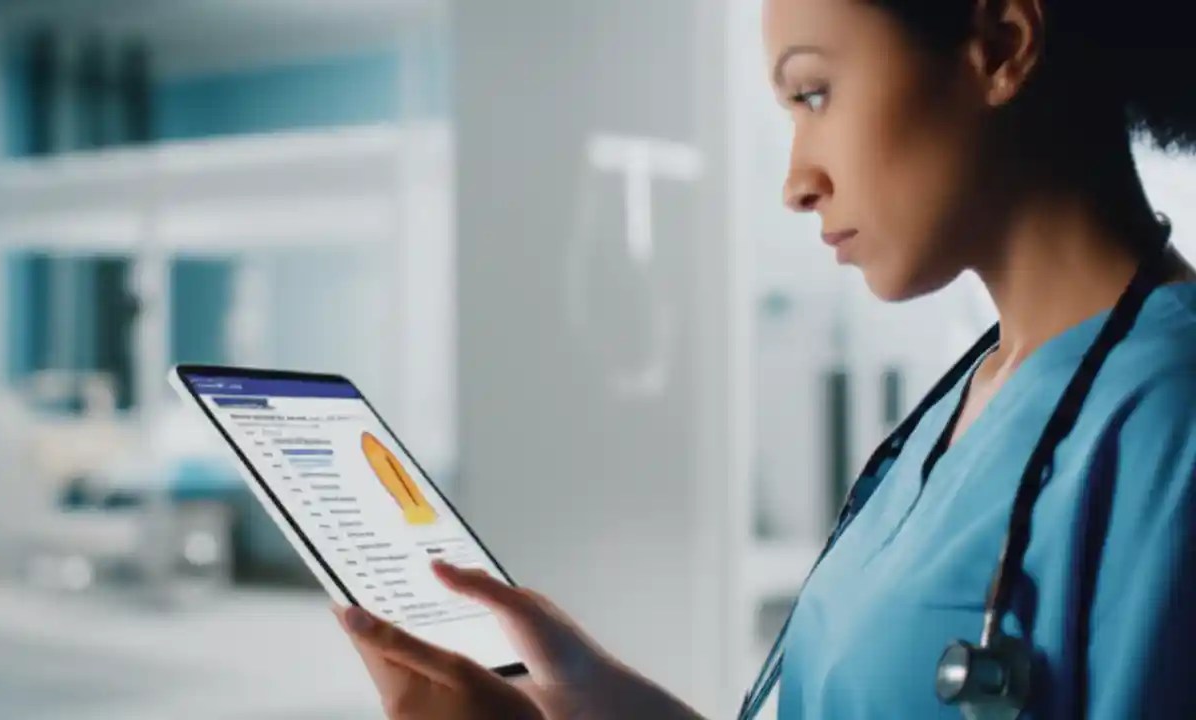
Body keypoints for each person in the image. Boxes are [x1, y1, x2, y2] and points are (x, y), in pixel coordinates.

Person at [337, 0, 1196, 717]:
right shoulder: (967, 398)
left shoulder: (1169, 417)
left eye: (814, 93)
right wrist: (597, 696)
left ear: (1001, 45)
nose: (795, 180)